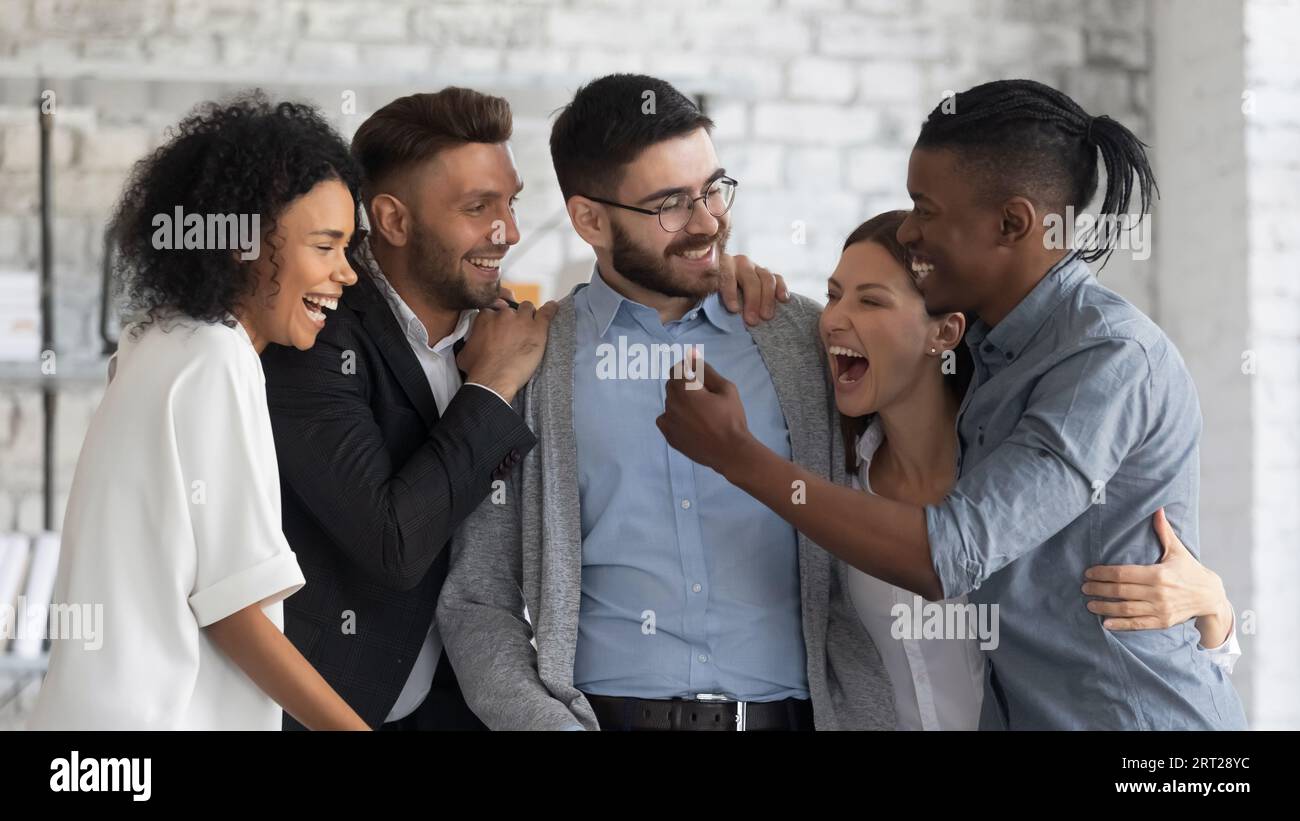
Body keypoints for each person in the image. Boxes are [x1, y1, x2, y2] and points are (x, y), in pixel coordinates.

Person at [657, 79, 1248, 730]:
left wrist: (736, 454)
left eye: (925, 208)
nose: (909, 229)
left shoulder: (1105, 359)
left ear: (1013, 223)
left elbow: (952, 553)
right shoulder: (990, 350)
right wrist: (736, 279)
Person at [438, 74, 894, 731]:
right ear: (590, 219)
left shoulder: (803, 342)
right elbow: (478, 594)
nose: (709, 220)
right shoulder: (532, 364)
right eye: (671, 204)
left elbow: (930, 474)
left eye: (714, 187)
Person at [29, 95, 368, 730]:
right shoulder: (218, 358)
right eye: (326, 245)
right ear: (246, 243)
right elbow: (235, 610)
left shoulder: (155, 345)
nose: (346, 272)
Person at [260, 88, 557, 730]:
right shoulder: (314, 337)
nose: (508, 232)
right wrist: (493, 386)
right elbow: (392, 542)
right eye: (479, 208)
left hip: (452, 709)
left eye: (511, 202)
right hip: (324, 712)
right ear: (393, 221)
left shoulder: (502, 324)